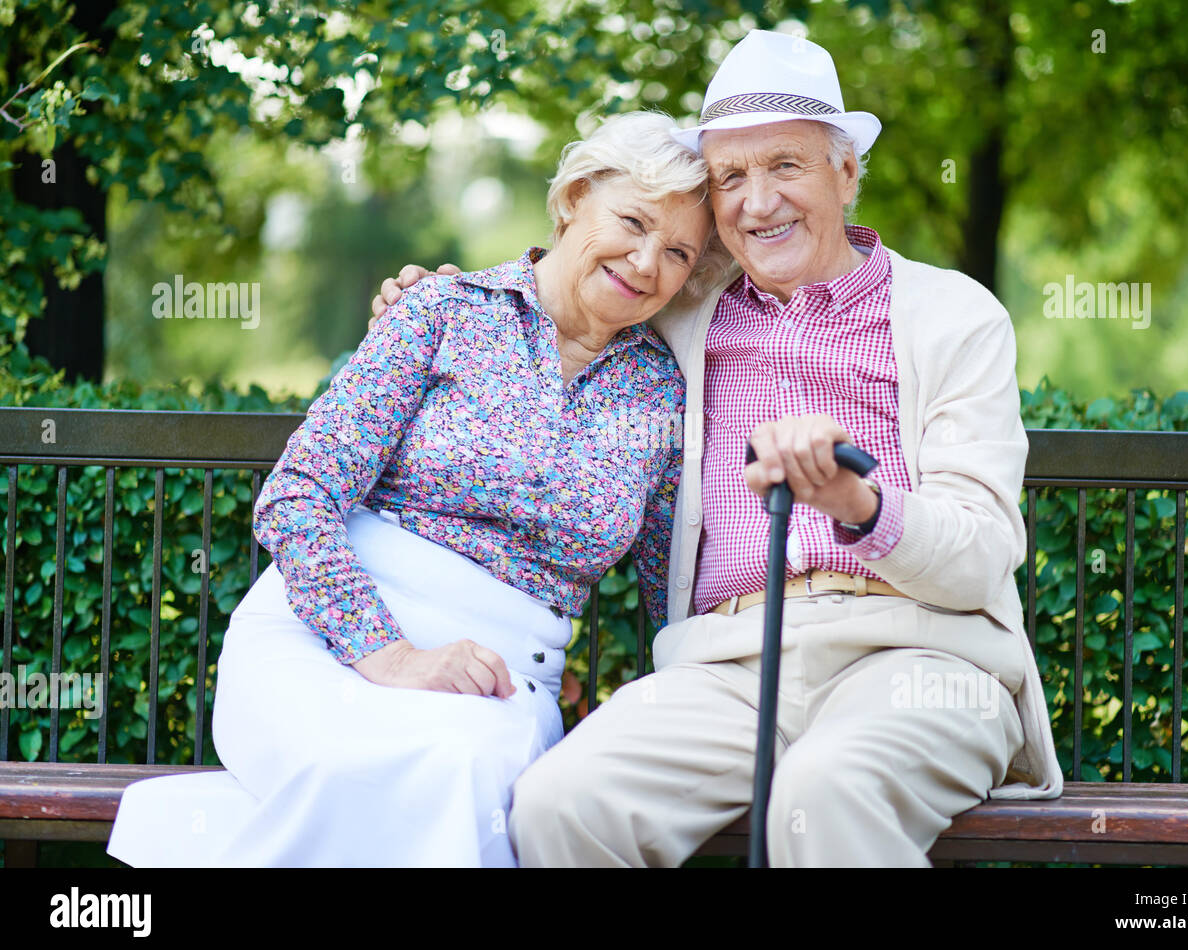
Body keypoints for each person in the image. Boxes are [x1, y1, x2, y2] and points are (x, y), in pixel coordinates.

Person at [373, 30, 1064, 867]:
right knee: (560, 805)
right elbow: (575, 274)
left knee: (825, 791)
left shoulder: (955, 316)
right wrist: (436, 299)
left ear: (847, 172)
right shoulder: (679, 311)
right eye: (730, 178)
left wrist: (862, 504)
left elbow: (983, 552)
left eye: (785, 165)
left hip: (918, 658)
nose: (757, 201)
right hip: (726, 664)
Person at [104, 110, 728, 867]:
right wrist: (388, 651)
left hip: (494, 686)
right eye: (631, 220)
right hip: (320, 642)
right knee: (348, 771)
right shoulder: (442, 311)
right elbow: (298, 493)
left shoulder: (662, 391)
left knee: (458, 772)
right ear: (574, 197)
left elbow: (673, 588)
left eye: (677, 252)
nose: (645, 260)